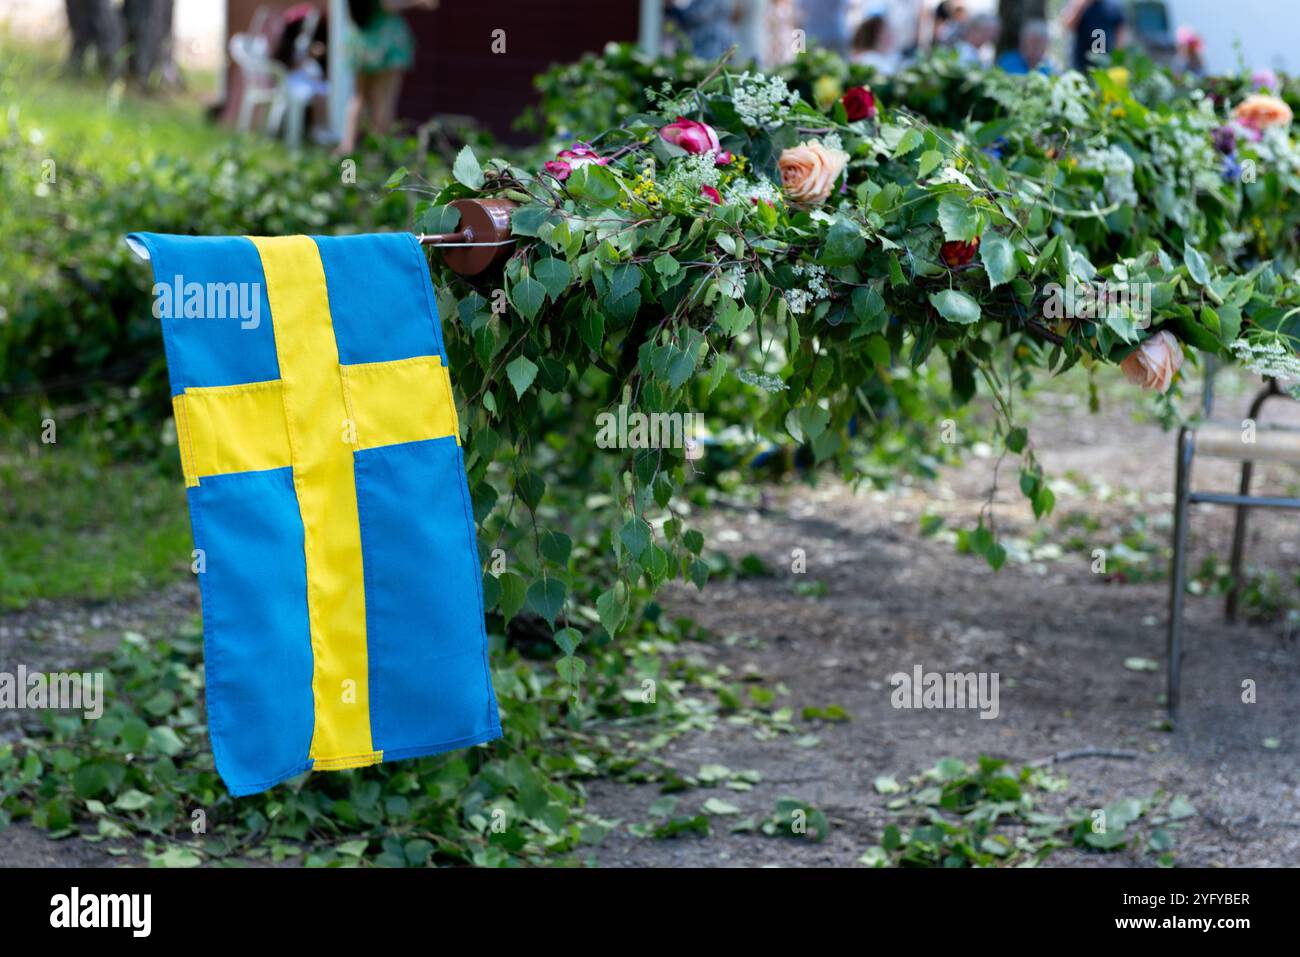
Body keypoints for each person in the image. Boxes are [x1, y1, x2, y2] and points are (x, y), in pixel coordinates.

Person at [336, 0, 436, 155]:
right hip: (386, 40)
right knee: (384, 100)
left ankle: (347, 148)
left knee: (359, 97)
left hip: (361, 38)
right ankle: (378, 152)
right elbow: (388, 5)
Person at [1061, 0, 1126, 72]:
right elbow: (1068, 25)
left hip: (1104, 63)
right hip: (1080, 63)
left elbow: (1120, 37)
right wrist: (1081, 5)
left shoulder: (1114, 4)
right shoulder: (1077, 3)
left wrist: (1117, 62)